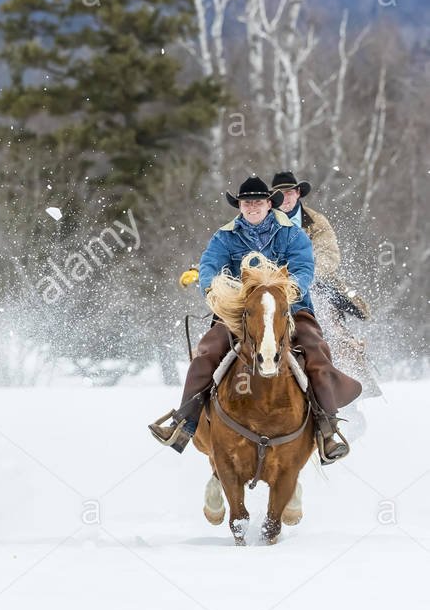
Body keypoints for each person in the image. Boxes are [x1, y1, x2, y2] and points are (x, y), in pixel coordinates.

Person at [148, 175, 361, 463]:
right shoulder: (225, 235)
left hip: (290, 309)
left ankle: (327, 430)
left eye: (257, 202)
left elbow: (304, 267)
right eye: (246, 203)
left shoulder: (292, 234)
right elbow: (211, 265)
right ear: (240, 206)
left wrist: (290, 289)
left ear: (268, 204)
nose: (252, 207)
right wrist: (212, 288)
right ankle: (184, 423)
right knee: (207, 351)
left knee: (316, 352)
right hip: (239, 313)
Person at [272, 171, 378, 393]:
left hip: (313, 283)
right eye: (280, 193)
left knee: (325, 320)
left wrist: (304, 274)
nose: (286, 197)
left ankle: (346, 379)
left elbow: (328, 255)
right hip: (271, 284)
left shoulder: (316, 221)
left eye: (289, 192)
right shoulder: (263, 219)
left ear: (298, 193)